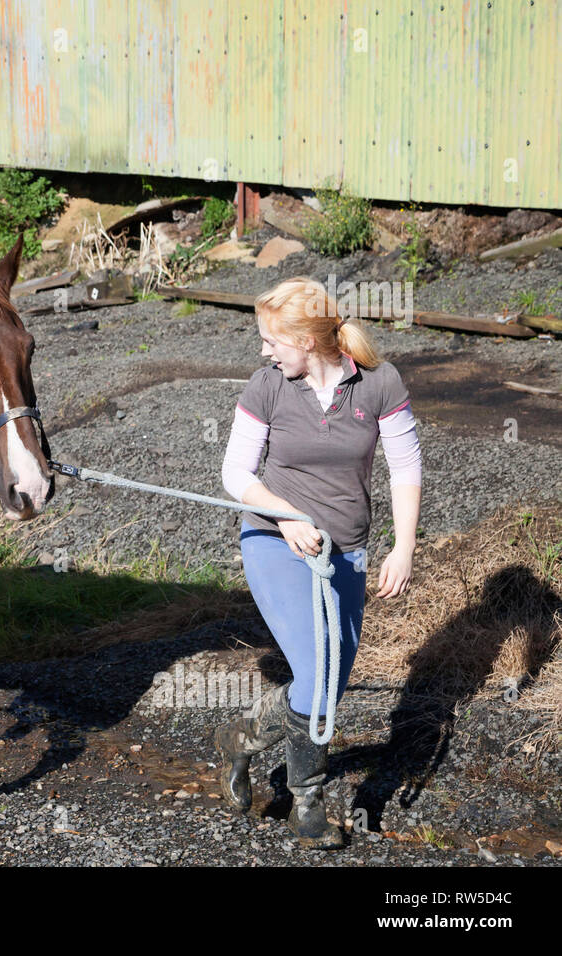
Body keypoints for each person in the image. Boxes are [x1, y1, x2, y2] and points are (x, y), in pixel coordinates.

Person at [215, 276, 422, 849]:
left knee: (330, 680)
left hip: (346, 549)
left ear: (307, 339)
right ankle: (308, 803)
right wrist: (285, 515)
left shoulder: (380, 383)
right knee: (317, 671)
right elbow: (236, 474)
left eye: (271, 339)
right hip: (274, 541)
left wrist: (402, 547)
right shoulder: (267, 386)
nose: (263, 350)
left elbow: (404, 468)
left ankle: (242, 738)